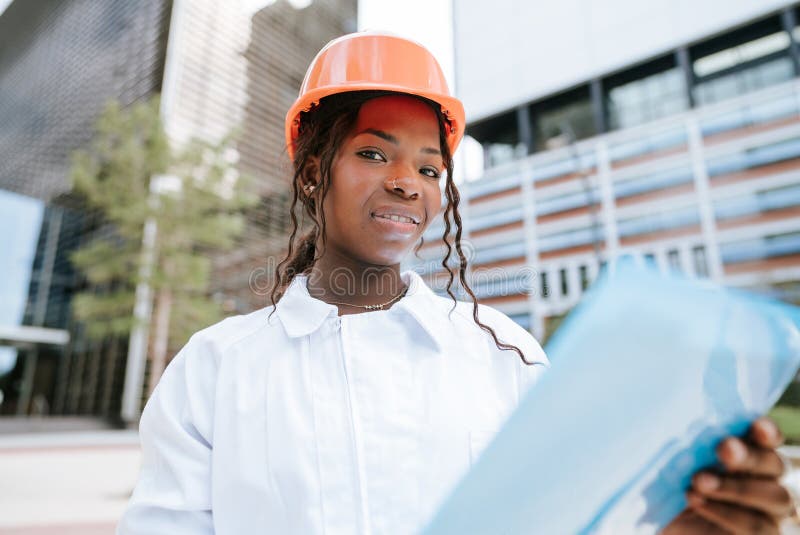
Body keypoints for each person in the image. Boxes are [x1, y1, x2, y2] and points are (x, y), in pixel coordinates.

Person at [117, 32, 796, 534]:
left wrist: (692, 522)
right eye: (373, 151)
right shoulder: (214, 369)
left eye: (430, 167)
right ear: (311, 172)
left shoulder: (508, 355)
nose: (406, 181)